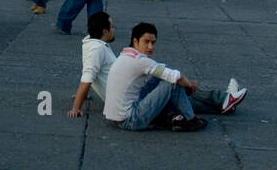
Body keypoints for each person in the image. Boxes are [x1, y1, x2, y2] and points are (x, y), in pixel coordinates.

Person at [67, 12, 246, 119]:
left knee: (172, 87)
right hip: (128, 98)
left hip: (127, 92)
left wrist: (83, 95)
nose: (115, 29)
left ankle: (223, 101)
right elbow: (87, 77)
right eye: (112, 27)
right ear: (104, 31)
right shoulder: (97, 50)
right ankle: (223, 101)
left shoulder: (92, 44)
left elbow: (93, 75)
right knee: (172, 85)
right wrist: (77, 106)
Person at [103, 22, 206, 131]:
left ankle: (170, 115)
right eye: (146, 42)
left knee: (159, 78)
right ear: (135, 41)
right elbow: (176, 77)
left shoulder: (125, 55)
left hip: (115, 117)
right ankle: (191, 119)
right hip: (130, 119)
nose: (150, 47)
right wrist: (189, 84)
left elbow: (163, 72)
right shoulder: (140, 61)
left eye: (153, 42)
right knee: (171, 83)